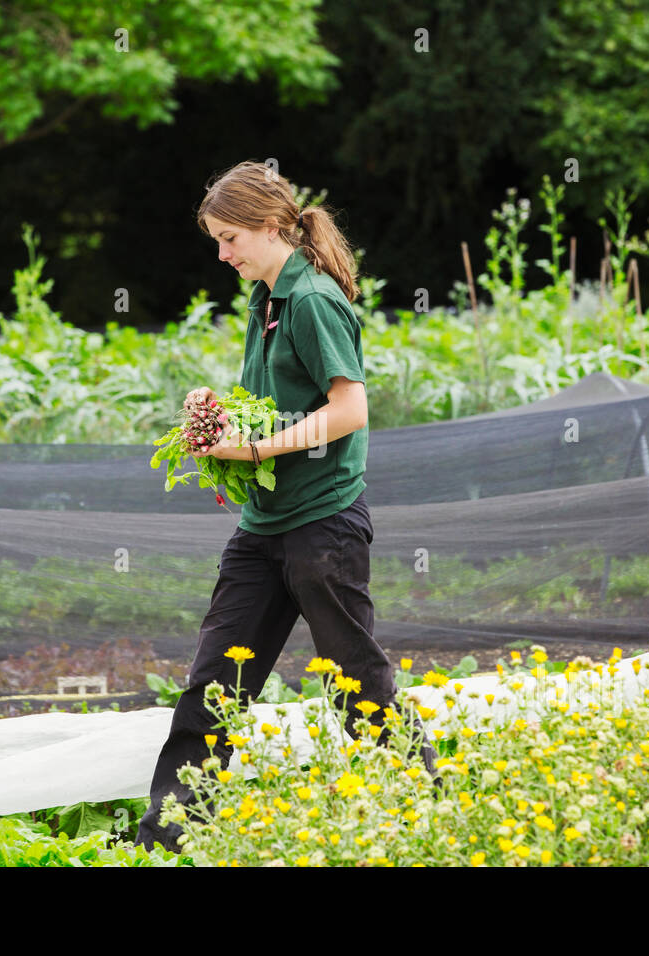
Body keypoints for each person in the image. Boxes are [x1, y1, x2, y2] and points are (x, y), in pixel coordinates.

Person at [134, 160, 439, 854]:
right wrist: (214, 416)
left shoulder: (313, 300)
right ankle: (167, 840)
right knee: (213, 685)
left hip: (322, 527)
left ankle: (423, 809)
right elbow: (272, 404)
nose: (222, 254)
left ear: (272, 227)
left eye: (230, 238)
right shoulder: (267, 298)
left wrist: (259, 449)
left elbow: (350, 409)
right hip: (263, 529)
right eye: (216, 240)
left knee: (355, 684)